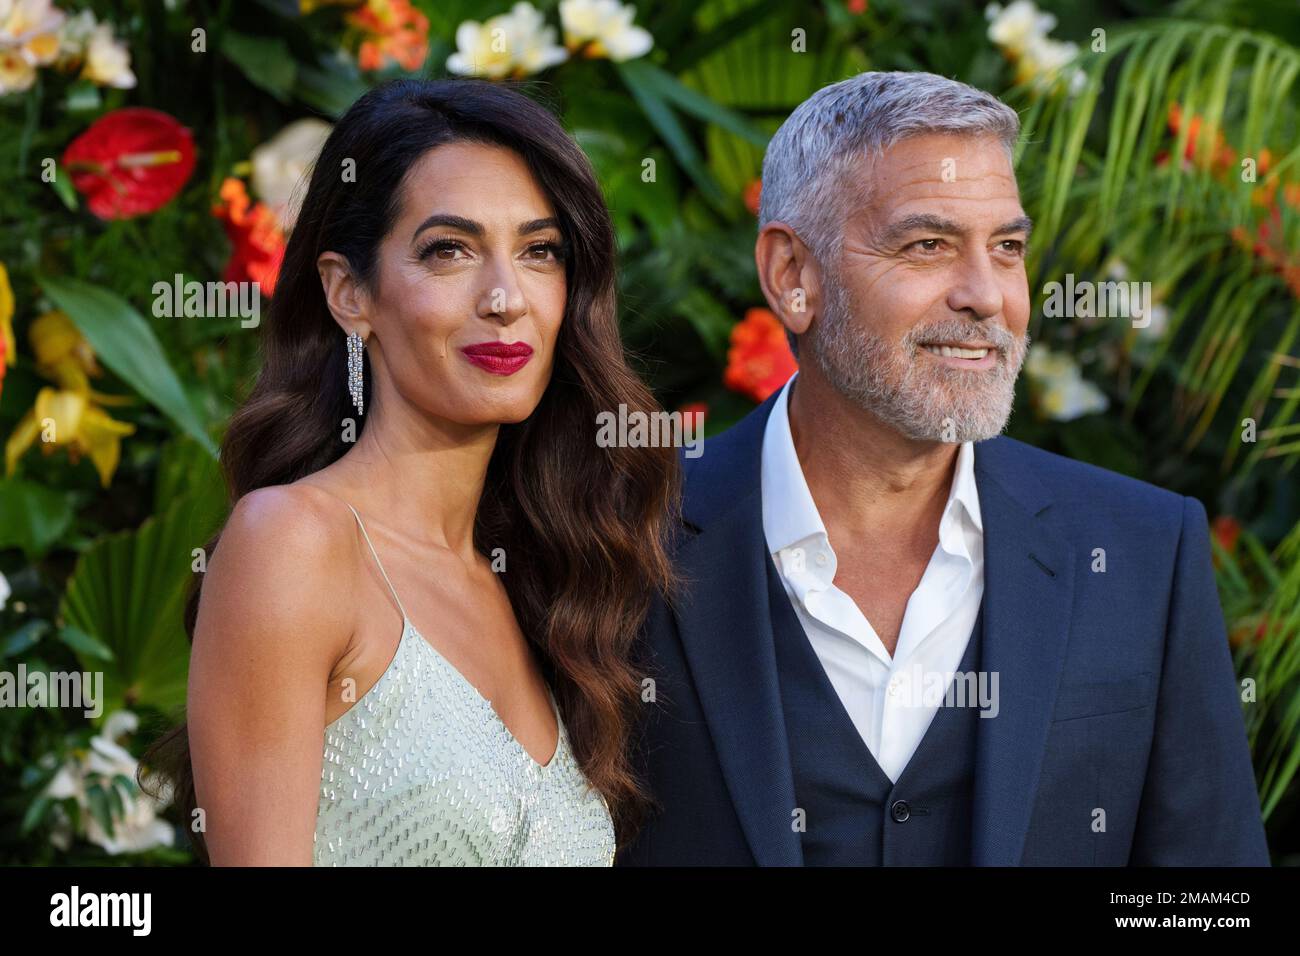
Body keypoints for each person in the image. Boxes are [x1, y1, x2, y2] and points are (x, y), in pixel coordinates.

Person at [618, 71, 1270, 866]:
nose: (988, 297)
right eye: (928, 245)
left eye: (1008, 248)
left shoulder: (1143, 549)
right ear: (793, 275)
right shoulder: (617, 541)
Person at [144, 78, 678, 866]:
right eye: (449, 250)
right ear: (349, 293)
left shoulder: (538, 583)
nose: (504, 297)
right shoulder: (292, 544)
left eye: (539, 252)